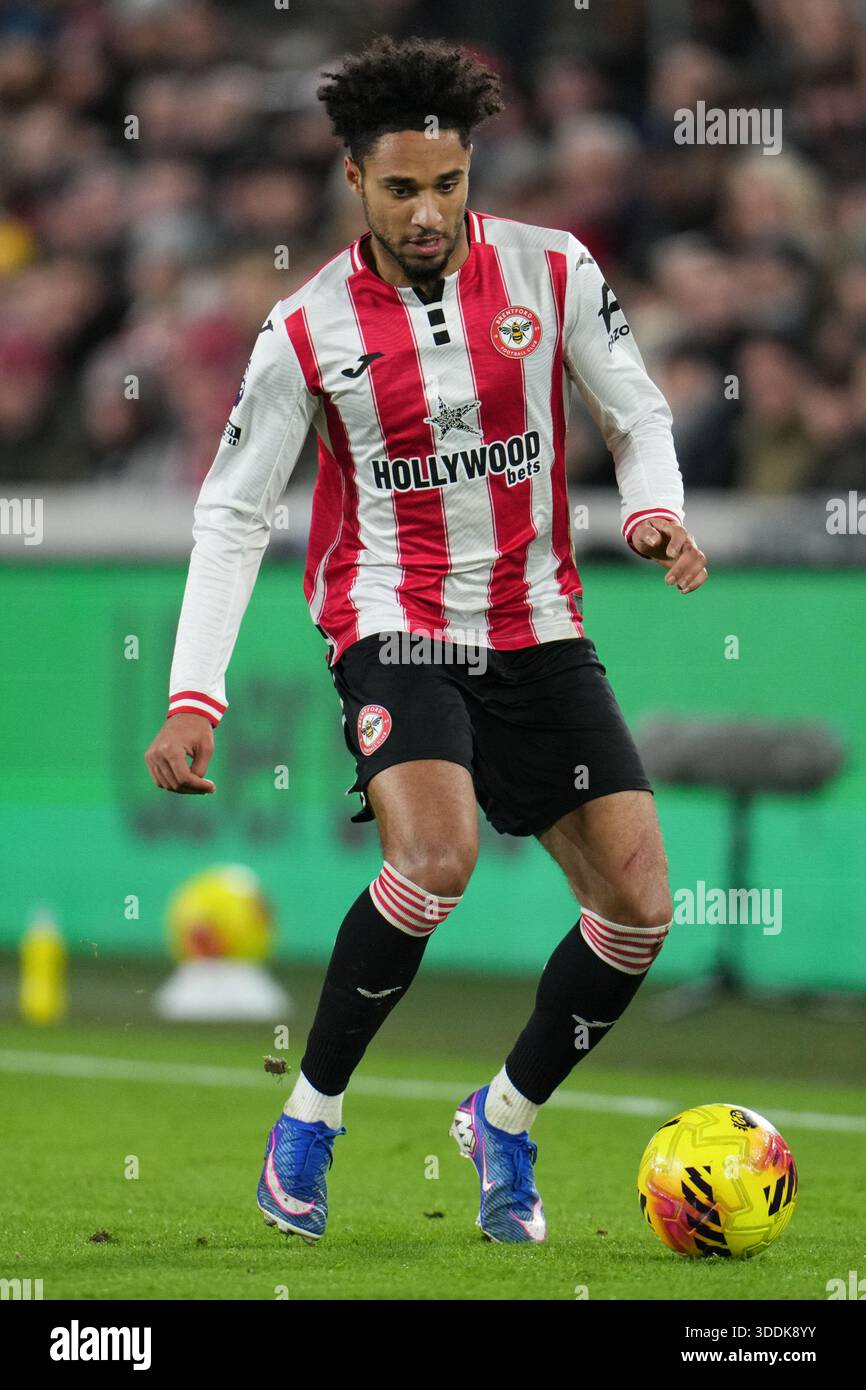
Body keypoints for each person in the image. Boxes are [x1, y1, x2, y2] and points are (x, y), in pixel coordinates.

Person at [144, 36, 708, 1246]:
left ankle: (503, 1117)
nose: (426, 211)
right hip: (392, 616)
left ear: (468, 172)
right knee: (437, 858)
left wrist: (655, 506)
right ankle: (310, 1116)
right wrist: (196, 692)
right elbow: (235, 510)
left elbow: (637, 409)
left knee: (640, 909)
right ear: (354, 181)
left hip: (538, 620)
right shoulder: (303, 332)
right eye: (400, 188)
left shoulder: (552, 269)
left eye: (445, 185)